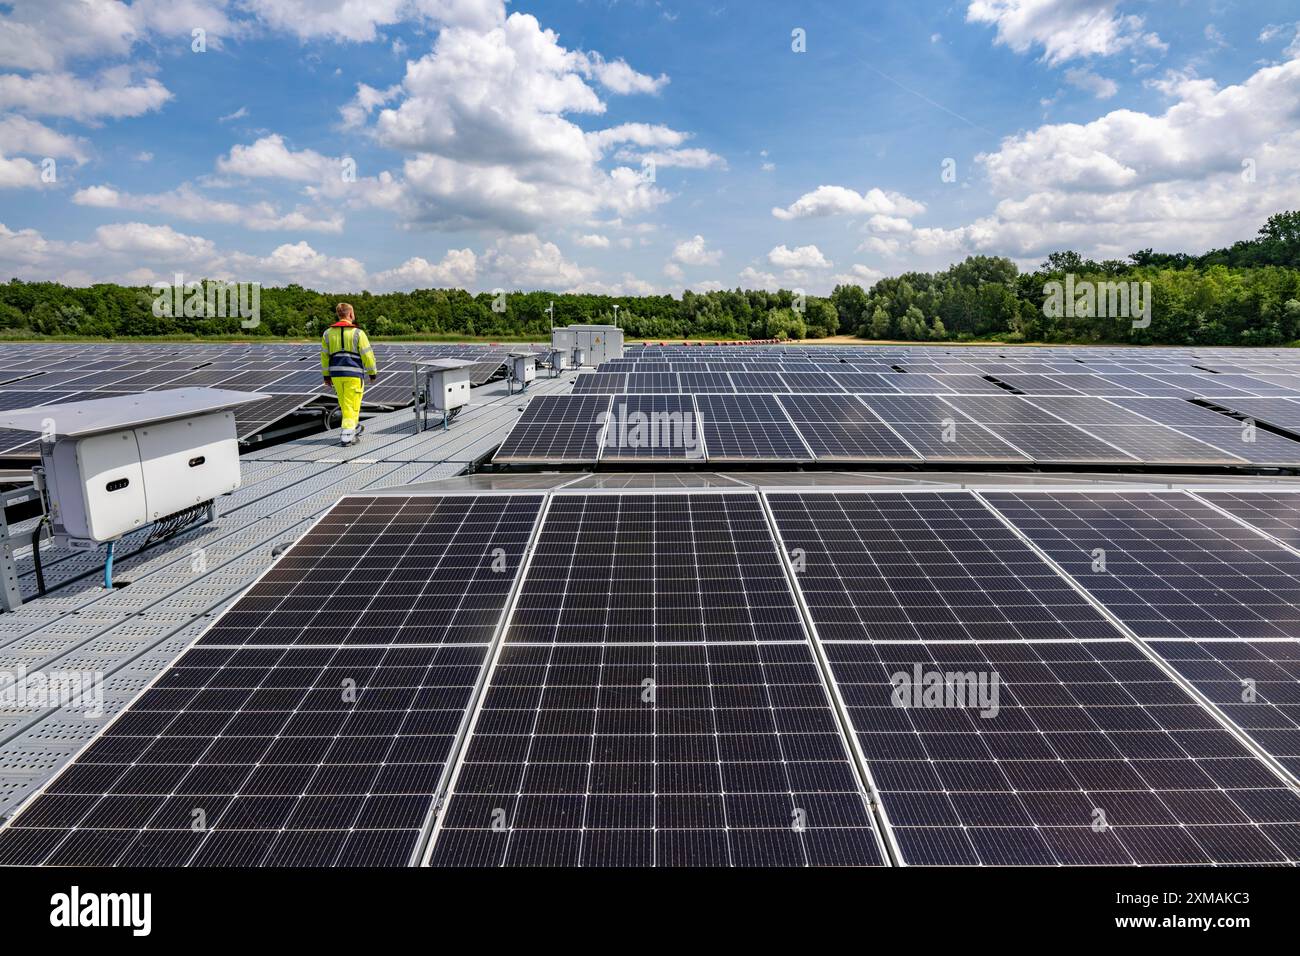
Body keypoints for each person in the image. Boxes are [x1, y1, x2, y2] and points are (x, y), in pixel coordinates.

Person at [321, 302, 378, 445]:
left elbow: (324, 357)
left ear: (338, 314)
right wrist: (372, 372)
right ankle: (347, 433)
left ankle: (354, 426)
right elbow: (367, 355)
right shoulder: (358, 333)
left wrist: (326, 376)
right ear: (351, 314)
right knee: (351, 404)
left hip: (336, 375)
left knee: (344, 403)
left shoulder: (327, 334)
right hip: (353, 374)